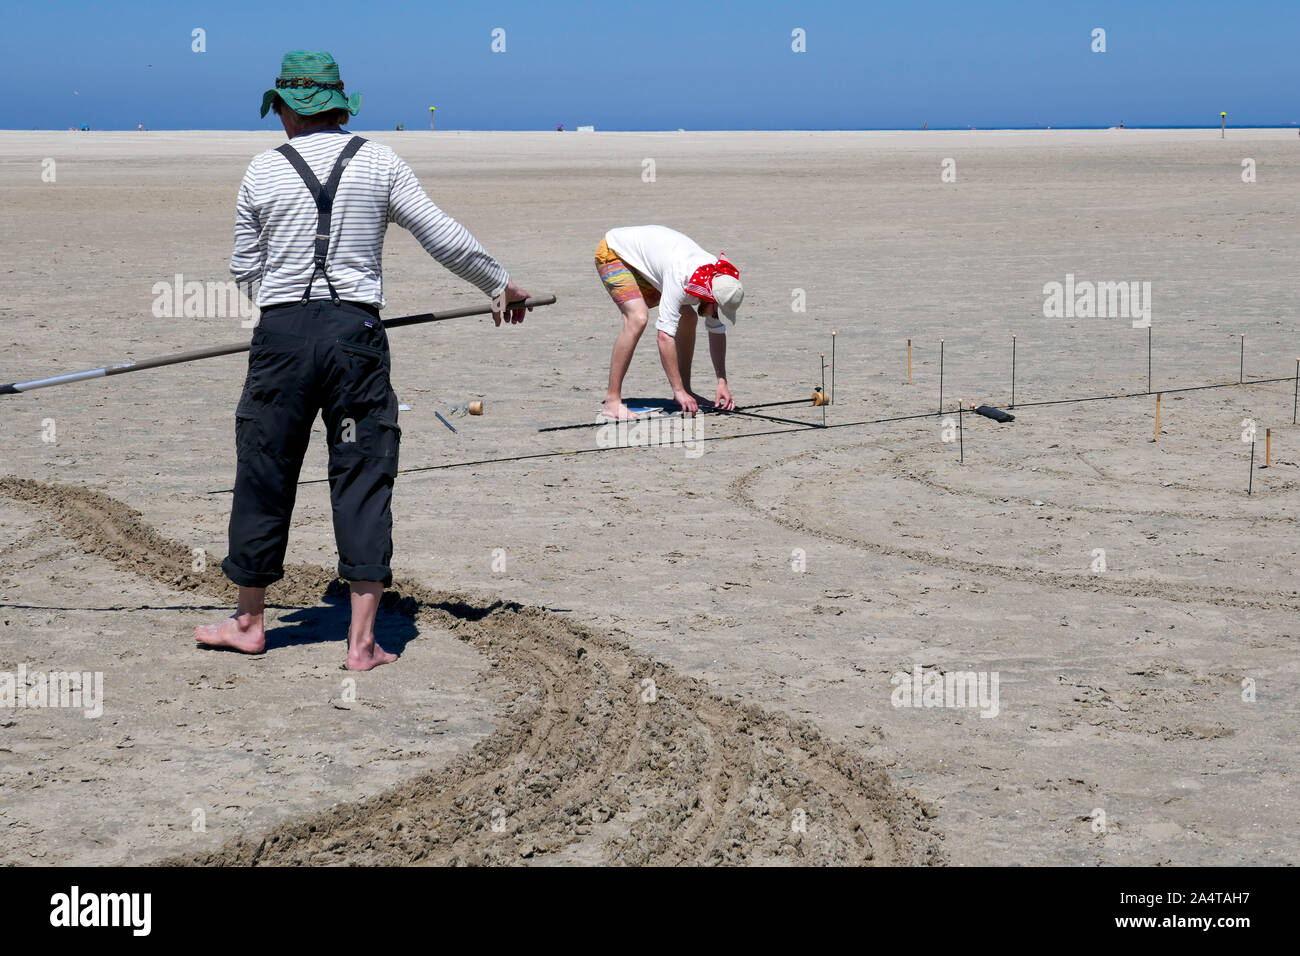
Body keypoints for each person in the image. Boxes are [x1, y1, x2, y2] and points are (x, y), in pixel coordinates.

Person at [195, 50, 532, 670]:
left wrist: (291, 294)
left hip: (282, 339)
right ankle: (362, 642)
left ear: (286, 111)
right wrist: (498, 283)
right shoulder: (379, 161)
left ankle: (248, 622)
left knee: (266, 467)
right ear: (339, 107)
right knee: (362, 468)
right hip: (356, 336)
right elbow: (441, 234)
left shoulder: (261, 171)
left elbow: (245, 271)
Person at [594, 225, 743, 419]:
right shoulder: (681, 277)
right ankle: (612, 401)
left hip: (652, 262)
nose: (717, 313)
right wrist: (676, 389)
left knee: (688, 318)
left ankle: (686, 390)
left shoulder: (717, 280)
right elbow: (664, 336)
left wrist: (722, 382)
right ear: (711, 297)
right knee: (637, 318)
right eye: (718, 308)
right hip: (615, 252)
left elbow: (716, 330)